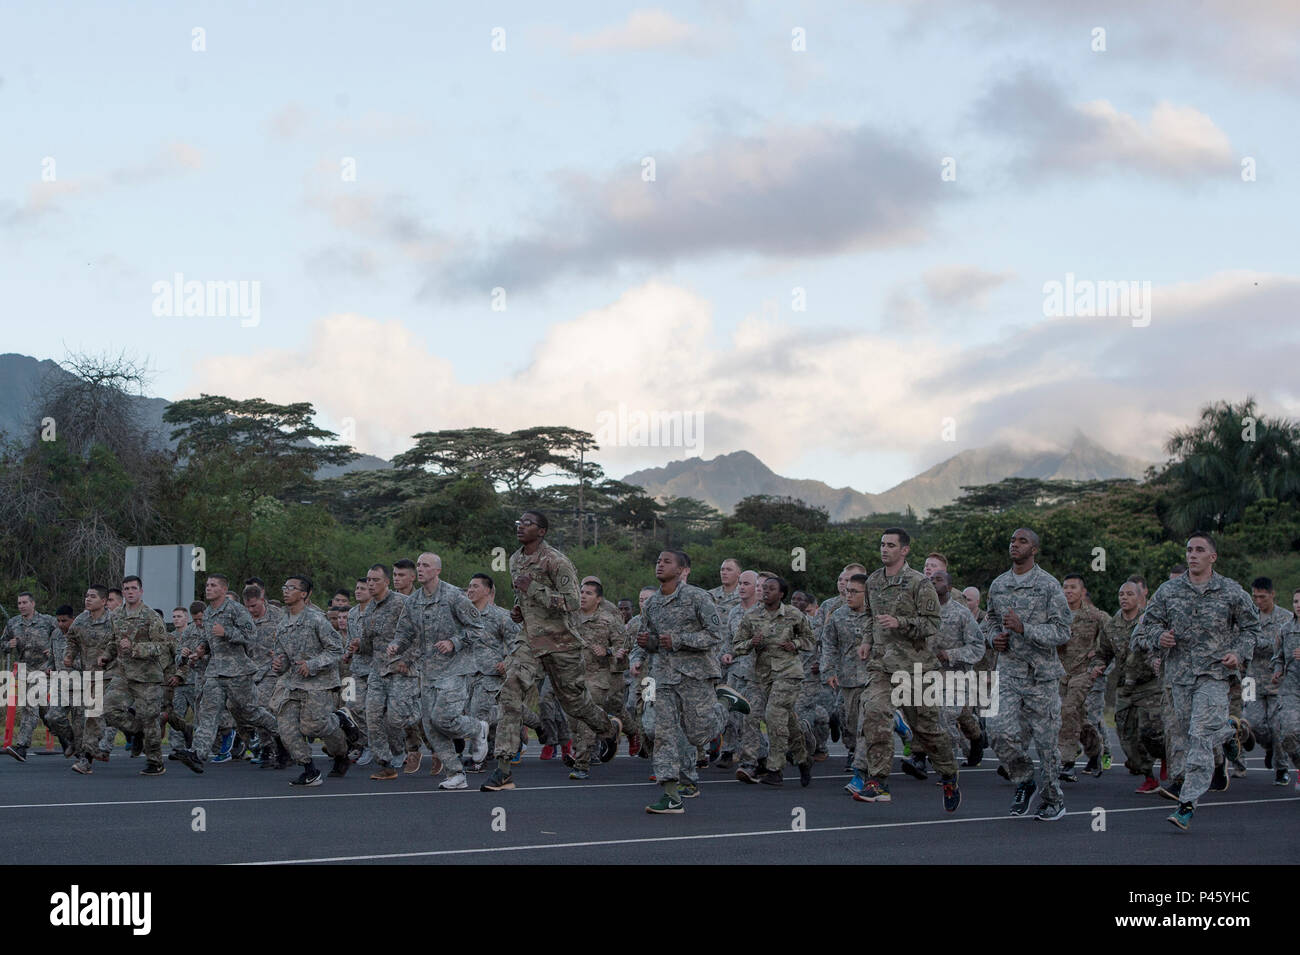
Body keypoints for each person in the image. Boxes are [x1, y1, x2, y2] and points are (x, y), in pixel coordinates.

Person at [482, 512, 620, 792]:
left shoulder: (556, 561)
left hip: (561, 642)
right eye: (519, 522)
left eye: (528, 523)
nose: (521, 526)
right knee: (510, 690)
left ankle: (609, 729)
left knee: (574, 704)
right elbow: (524, 599)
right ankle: (504, 768)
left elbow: (572, 603)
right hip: (529, 640)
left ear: (542, 531)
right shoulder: (515, 559)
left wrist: (532, 588)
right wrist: (519, 611)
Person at [1134, 533, 1259, 830]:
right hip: (1179, 677)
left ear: (1212, 557)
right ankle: (1231, 731)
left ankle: (1187, 804)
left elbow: (1252, 629)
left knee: (1200, 736)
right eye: (1189, 549)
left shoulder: (1231, 591)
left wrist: (1237, 653)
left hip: (1215, 674)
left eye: (1200, 550)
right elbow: (1148, 625)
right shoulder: (1168, 591)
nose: (1192, 555)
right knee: (1194, 733)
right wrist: (1158, 637)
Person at [847, 529, 960, 813]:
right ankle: (878, 781)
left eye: (891, 545)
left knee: (928, 731)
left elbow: (933, 624)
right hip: (882, 666)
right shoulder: (872, 581)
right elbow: (870, 618)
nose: (884, 549)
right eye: (882, 544)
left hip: (916, 669)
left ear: (905, 550)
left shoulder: (919, 583)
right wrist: (866, 641)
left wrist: (901, 623)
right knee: (874, 712)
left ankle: (948, 775)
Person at [637, 550, 747, 813]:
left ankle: (725, 701)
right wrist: (647, 643)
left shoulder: (697, 597)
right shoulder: (651, 605)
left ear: (682, 569)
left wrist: (679, 639)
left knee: (699, 734)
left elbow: (715, 635)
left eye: (667, 562)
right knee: (663, 734)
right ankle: (671, 794)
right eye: (658, 560)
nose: (660, 564)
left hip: (695, 675)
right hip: (663, 676)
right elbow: (652, 639)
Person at [981, 528, 1072, 820]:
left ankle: (1053, 799)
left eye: (1022, 541)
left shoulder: (1048, 585)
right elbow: (989, 619)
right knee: (996, 731)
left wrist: (1025, 629)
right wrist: (993, 637)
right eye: (1012, 540)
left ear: (1034, 549)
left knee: (1047, 746)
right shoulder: (999, 584)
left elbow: (1062, 631)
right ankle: (1024, 780)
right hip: (1008, 671)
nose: (1015, 545)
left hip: (1041, 677)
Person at [387, 552, 488, 790]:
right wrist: (396, 645)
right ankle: (456, 774)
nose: (420, 569)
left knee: (443, 718)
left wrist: (454, 641)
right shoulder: (412, 602)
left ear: (437, 571)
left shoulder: (455, 597)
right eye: (419, 565)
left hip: (455, 669)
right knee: (431, 727)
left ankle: (477, 728)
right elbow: (405, 632)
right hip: (428, 671)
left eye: (426, 565)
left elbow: (478, 629)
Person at [172, 574, 286, 775]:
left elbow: (251, 636)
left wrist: (227, 632)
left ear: (224, 590)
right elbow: (210, 640)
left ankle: (281, 734)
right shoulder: (207, 613)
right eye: (207, 585)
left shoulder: (236, 610)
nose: (208, 588)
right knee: (207, 712)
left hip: (238, 672)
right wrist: (201, 649)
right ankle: (198, 754)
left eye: (213, 585)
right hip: (215, 671)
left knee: (250, 712)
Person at [269, 575, 354, 786]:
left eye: (291, 587)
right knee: (286, 728)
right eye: (284, 586)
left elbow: (336, 649)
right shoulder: (282, 623)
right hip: (293, 683)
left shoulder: (317, 620)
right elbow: (283, 657)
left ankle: (340, 722)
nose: (286, 590)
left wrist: (313, 664)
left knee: (313, 727)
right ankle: (310, 770)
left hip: (320, 683)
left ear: (304, 594)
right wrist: (279, 665)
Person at [732, 574, 814, 787]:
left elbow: (810, 641)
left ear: (781, 594)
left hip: (787, 673)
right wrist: (751, 642)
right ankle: (802, 758)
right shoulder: (751, 616)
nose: (765, 591)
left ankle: (775, 769)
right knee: (777, 719)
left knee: (774, 716)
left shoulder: (794, 614)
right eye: (764, 588)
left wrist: (795, 643)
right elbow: (737, 645)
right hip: (760, 676)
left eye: (770, 588)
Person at [102, 577, 175, 776]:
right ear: (123, 593)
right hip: (123, 673)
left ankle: (155, 762)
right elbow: (112, 641)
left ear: (141, 591)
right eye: (126, 589)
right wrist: (106, 656)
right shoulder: (116, 615)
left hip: (147, 676)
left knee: (150, 719)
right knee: (108, 709)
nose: (130, 592)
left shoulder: (151, 616)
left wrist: (135, 648)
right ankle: (136, 731)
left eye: (134, 588)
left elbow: (162, 646)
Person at [1057, 574, 1111, 781]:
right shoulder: (1057, 615)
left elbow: (1112, 640)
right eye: (1065, 587)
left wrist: (1099, 660)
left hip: (1084, 673)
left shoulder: (1096, 616)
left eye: (1073, 587)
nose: (1068, 591)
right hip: (1061, 673)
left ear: (1082, 592)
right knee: (1077, 717)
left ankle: (1067, 761)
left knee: (1068, 710)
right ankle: (1095, 750)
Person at [464, 572, 516, 772]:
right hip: (468, 674)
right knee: (472, 715)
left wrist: (508, 661)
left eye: (475, 586)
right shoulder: (463, 615)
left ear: (487, 590)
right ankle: (507, 716)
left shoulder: (500, 616)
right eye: (469, 586)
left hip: (490, 674)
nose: (470, 590)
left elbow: (516, 644)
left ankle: (478, 759)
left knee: (478, 716)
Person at [821, 573, 870, 772]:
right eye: (847, 591)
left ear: (867, 594)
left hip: (873, 677)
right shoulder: (838, 616)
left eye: (854, 592)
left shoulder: (877, 616)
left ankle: (864, 762)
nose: (848, 595)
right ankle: (853, 750)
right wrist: (829, 671)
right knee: (848, 719)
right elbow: (829, 645)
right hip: (847, 677)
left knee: (867, 721)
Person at [65, 586, 116, 774]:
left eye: (92, 597)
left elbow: (123, 642)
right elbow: (71, 639)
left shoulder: (113, 620)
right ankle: (96, 752)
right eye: (86, 596)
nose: (88, 599)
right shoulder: (80, 620)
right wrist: (69, 655)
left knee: (95, 715)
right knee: (96, 715)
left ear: (103, 601)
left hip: (111, 674)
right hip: (90, 675)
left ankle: (86, 758)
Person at [1249, 577, 1293, 785]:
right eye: (1255, 596)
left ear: (1272, 594)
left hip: (1278, 681)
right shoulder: (1249, 618)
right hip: (1252, 679)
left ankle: (1281, 768)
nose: (1258, 601)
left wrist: (1259, 643)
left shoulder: (1286, 618)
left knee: (1278, 727)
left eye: (1262, 597)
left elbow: (1285, 646)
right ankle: (1269, 748)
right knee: (1254, 724)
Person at [2, 592, 56, 762]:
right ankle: (25, 746)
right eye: (19, 603)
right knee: (36, 708)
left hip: (45, 669)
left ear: (33, 604)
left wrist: (54, 651)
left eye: (25, 602)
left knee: (38, 708)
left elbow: (65, 637)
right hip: (25, 669)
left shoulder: (47, 621)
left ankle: (24, 746)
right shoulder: (13, 623)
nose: (21, 606)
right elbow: (2, 642)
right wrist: (7, 645)